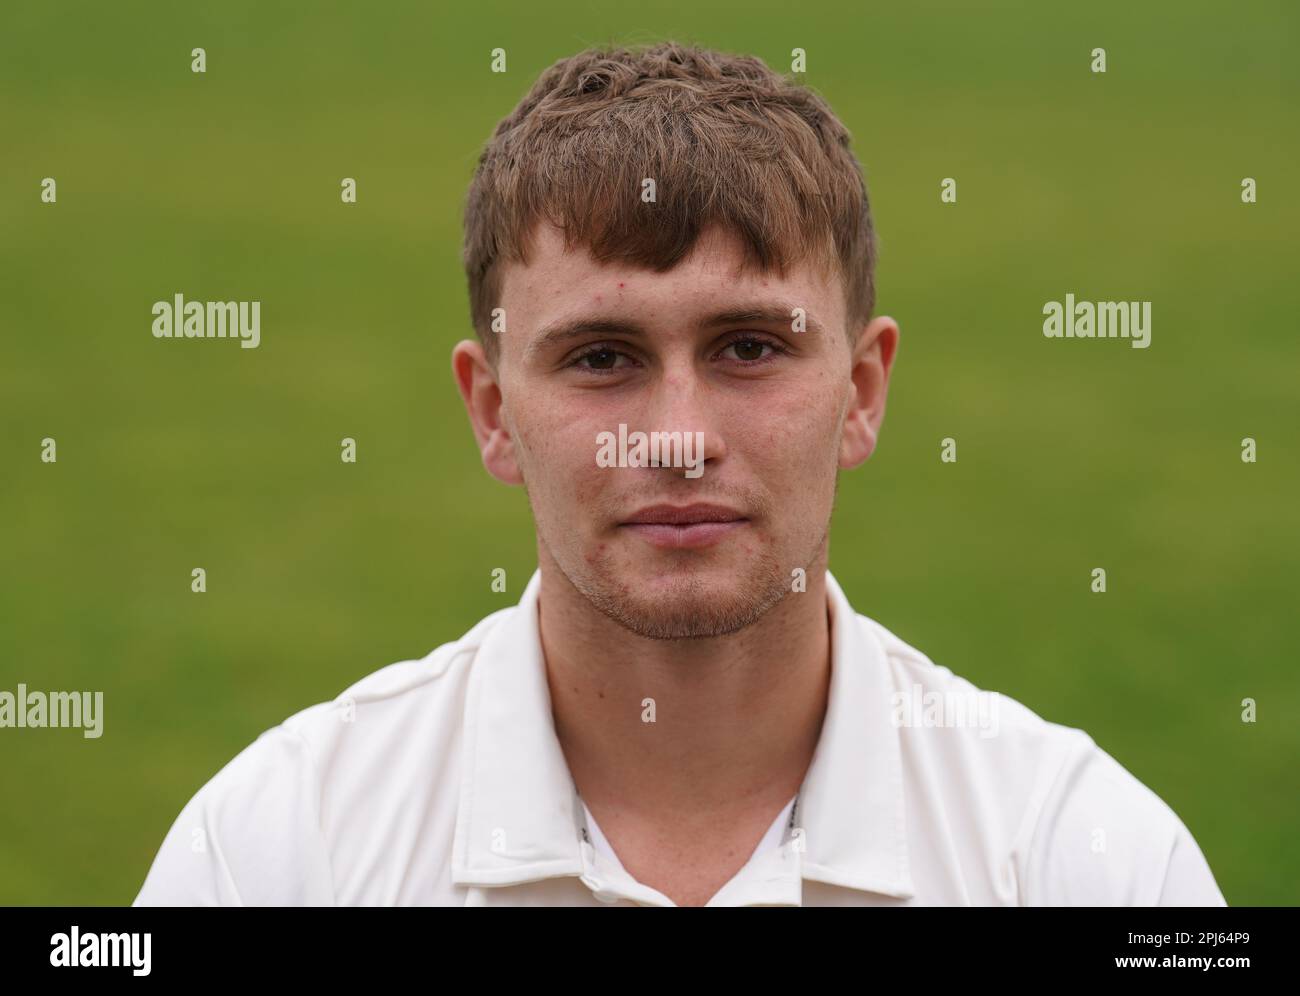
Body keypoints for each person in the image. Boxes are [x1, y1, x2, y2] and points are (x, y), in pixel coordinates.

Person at [134, 41, 1225, 907]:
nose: (676, 436)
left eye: (749, 348)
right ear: (493, 412)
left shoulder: (1088, 859)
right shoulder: (276, 853)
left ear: (860, 391)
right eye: (600, 359)